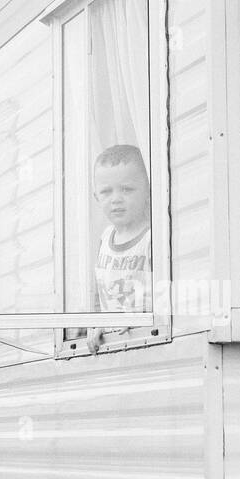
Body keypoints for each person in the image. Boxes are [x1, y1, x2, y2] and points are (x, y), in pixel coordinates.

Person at [89, 145, 151, 346]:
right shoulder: (105, 239)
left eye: (126, 189)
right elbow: (99, 294)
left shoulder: (152, 238)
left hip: (144, 341)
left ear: (147, 190)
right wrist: (97, 324)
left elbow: (167, 295)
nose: (116, 199)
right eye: (106, 192)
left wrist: (140, 318)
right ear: (96, 197)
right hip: (113, 346)